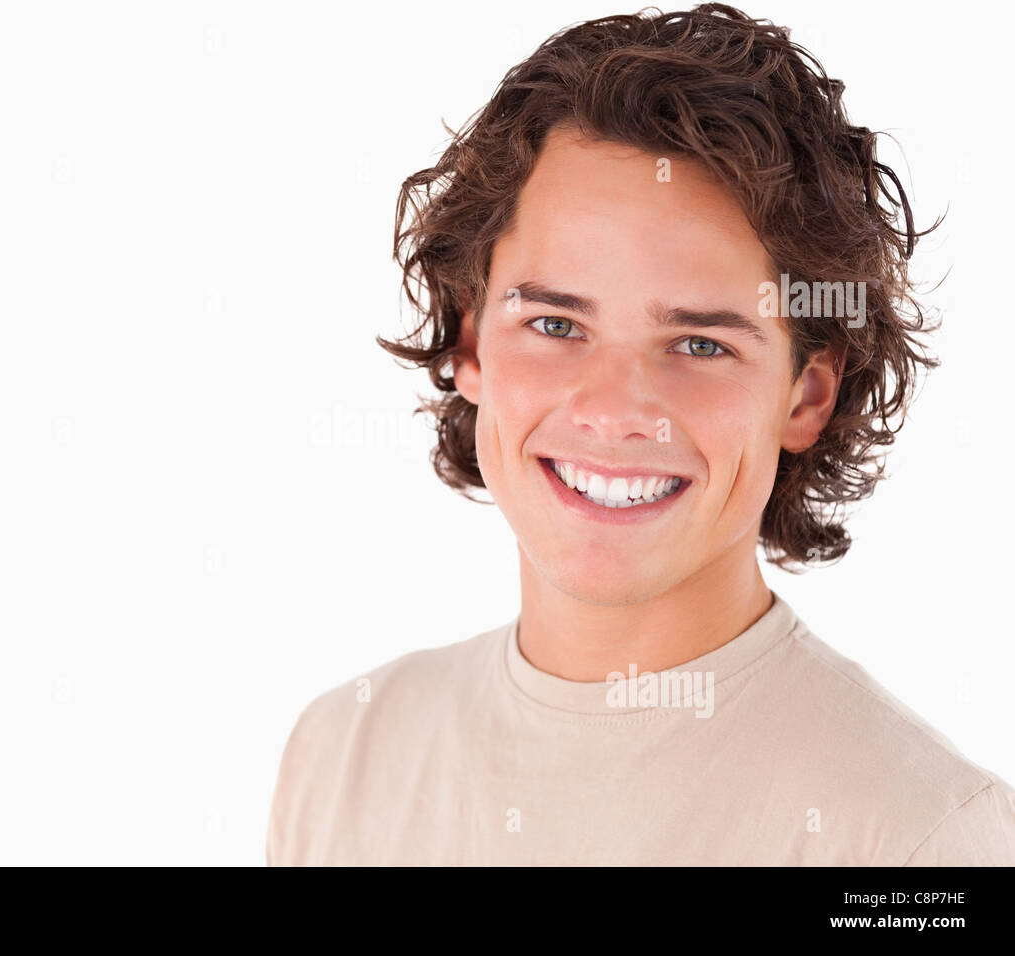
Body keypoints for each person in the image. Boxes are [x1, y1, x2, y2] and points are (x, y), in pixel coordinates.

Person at [266, 3, 1015, 865]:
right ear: (471, 343)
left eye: (700, 344)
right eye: (554, 324)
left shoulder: (922, 842)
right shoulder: (340, 761)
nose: (618, 409)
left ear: (805, 396)